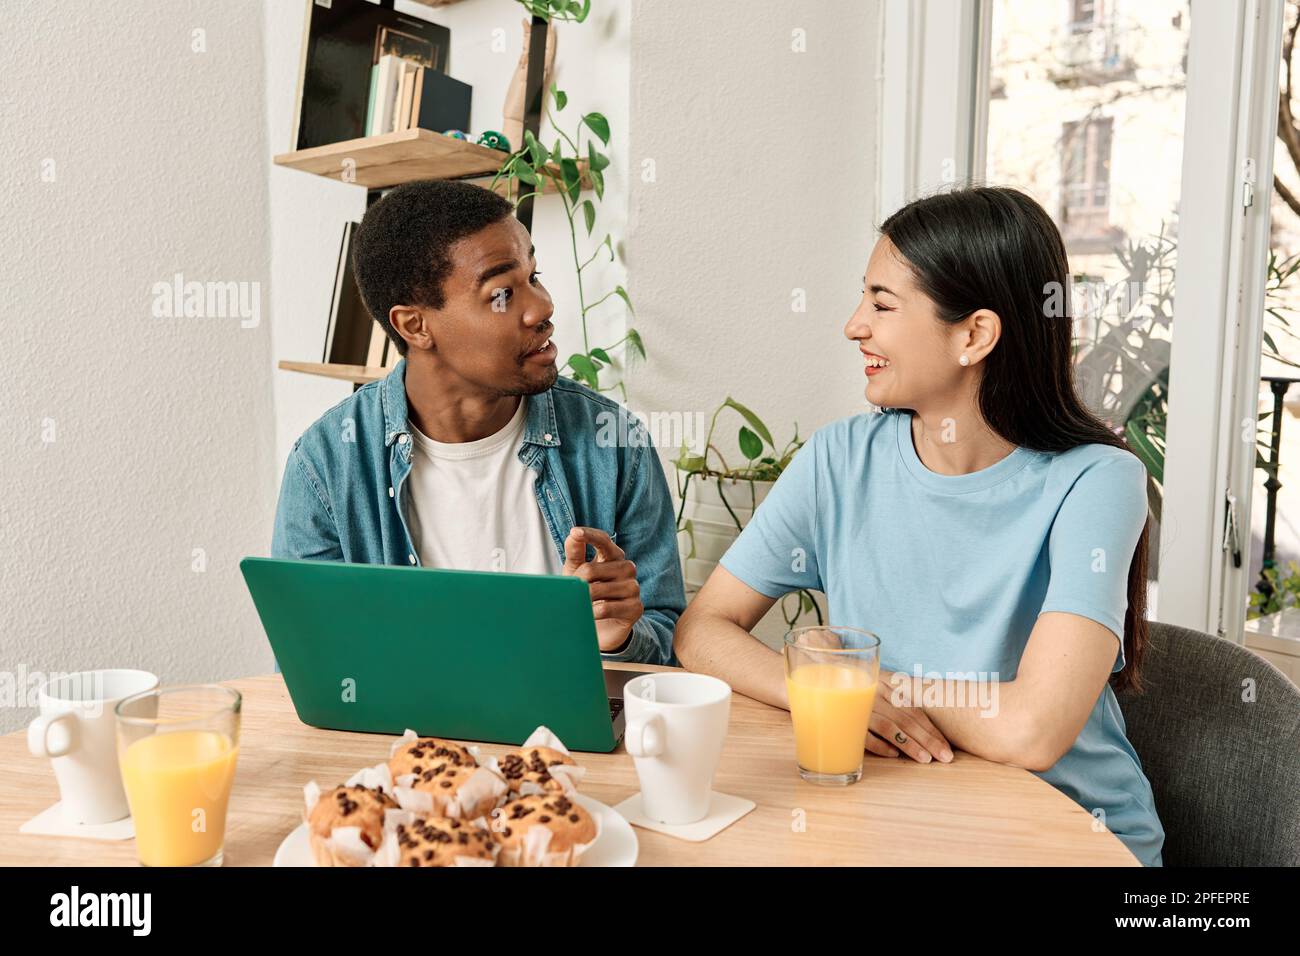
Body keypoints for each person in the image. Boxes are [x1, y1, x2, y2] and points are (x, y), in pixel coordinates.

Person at [673, 185, 1165, 865]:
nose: (854, 325)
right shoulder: (839, 460)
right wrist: (821, 692)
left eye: (881, 304)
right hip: (904, 818)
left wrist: (860, 686)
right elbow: (703, 632)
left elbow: (1032, 730)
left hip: (1068, 838)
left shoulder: (1096, 480)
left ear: (974, 335)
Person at [272, 180, 684, 664]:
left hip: (568, 742)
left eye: (536, 276)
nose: (543, 307)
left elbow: (668, 642)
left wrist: (619, 638)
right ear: (415, 326)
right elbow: (310, 665)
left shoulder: (613, 444)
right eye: (503, 293)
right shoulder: (325, 464)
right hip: (406, 740)